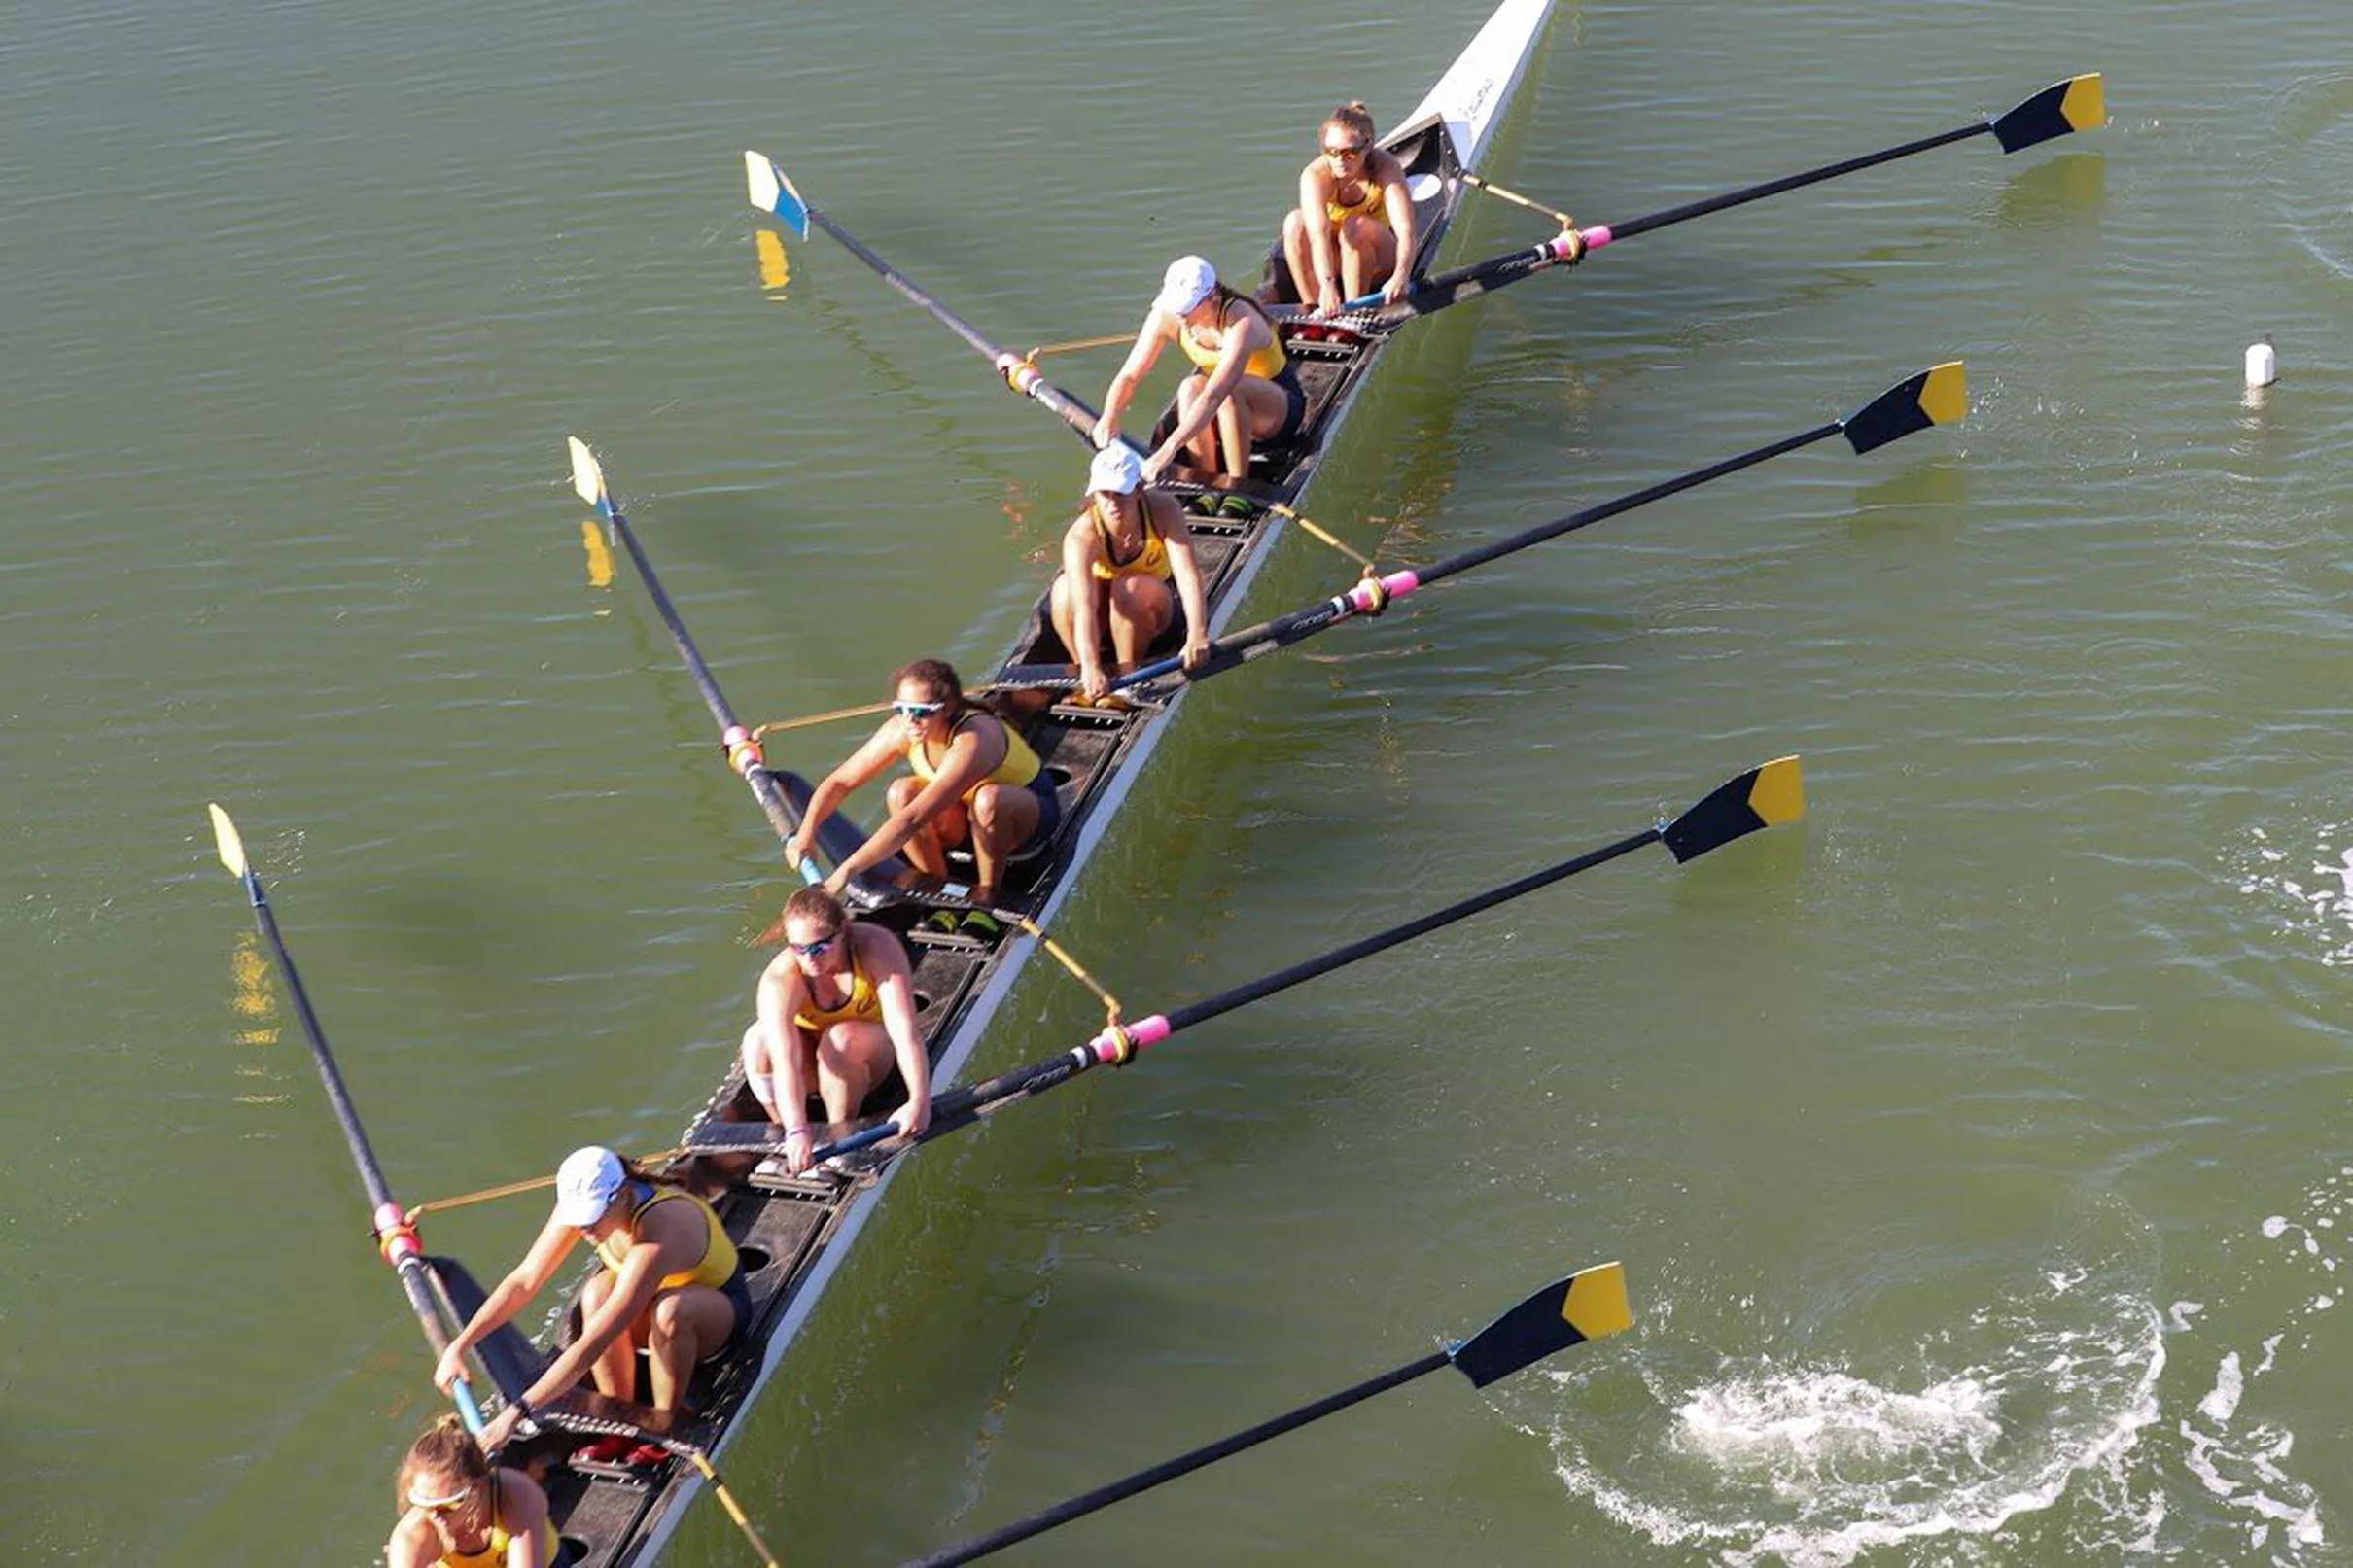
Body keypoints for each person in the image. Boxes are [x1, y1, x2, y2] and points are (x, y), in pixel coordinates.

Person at [435, 1147, 751, 1456]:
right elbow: (524, 1281)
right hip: (652, 1304)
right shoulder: (585, 1209)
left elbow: (597, 1339)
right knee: (597, 1292)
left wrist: (517, 1411)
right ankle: (620, 1424)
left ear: (624, 1195)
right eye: (579, 1219)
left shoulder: (660, 1229)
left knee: (670, 1311)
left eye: (593, 1217)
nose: (584, 1229)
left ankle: (665, 1423)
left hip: (720, 1313)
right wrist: (460, 1346)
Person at [784, 658, 1059, 908]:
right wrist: (806, 835)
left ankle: (987, 896)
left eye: (922, 711)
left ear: (949, 708)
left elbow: (913, 819)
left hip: (1027, 817)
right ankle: (941, 891)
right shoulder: (902, 729)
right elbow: (840, 783)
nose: (910, 720)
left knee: (988, 800)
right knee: (901, 792)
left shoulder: (975, 738)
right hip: (965, 818)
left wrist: (846, 871)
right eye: (902, 709)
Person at [740, 886, 931, 1175]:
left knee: (841, 1039)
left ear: (844, 932)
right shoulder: (779, 980)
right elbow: (785, 1062)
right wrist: (795, 1130)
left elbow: (905, 1033)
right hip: (813, 1072)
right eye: (799, 949)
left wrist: (919, 1100)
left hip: (868, 1060)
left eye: (819, 947)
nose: (809, 958)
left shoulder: (876, 947)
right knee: (758, 1040)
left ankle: (838, 1143)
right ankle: (788, 1143)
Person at [1093, 255, 1307, 483]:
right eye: (1177, 306)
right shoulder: (1168, 316)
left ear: (1212, 296)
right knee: (1189, 387)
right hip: (1220, 407)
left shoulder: (1242, 322)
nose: (1180, 315)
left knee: (1230, 392)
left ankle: (1237, 485)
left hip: (1278, 410)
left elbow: (1215, 395)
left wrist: (1168, 449)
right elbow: (1129, 376)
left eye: (1187, 308)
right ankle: (1207, 479)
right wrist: (1110, 415)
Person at [1050, 443, 1211, 699]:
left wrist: (1197, 633)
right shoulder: (1081, 536)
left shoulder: (1164, 509)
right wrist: (1090, 665)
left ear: (1138, 490)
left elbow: (1188, 575)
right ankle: (1087, 676)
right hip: (1101, 620)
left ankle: (1128, 682)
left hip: (1155, 611)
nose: (1112, 503)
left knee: (1129, 588)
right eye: (1105, 494)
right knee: (1063, 591)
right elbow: (1084, 608)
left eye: (1120, 493)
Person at [1282, 102, 1420, 313]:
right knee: (1295, 223)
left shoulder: (1386, 168)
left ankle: (1355, 312)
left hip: (1380, 258)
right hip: (1334, 260)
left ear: (1367, 146)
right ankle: (1314, 311)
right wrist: (1327, 284)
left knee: (1354, 227)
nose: (1340, 161)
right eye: (1332, 151)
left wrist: (1402, 275)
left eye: (1349, 154)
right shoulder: (1315, 176)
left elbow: (1406, 232)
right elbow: (1318, 237)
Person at [385, 1415, 557, 1567]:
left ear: (476, 1488)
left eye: (448, 1505)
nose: (434, 1515)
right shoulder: (409, 1537)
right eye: (424, 1503)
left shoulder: (516, 1493)